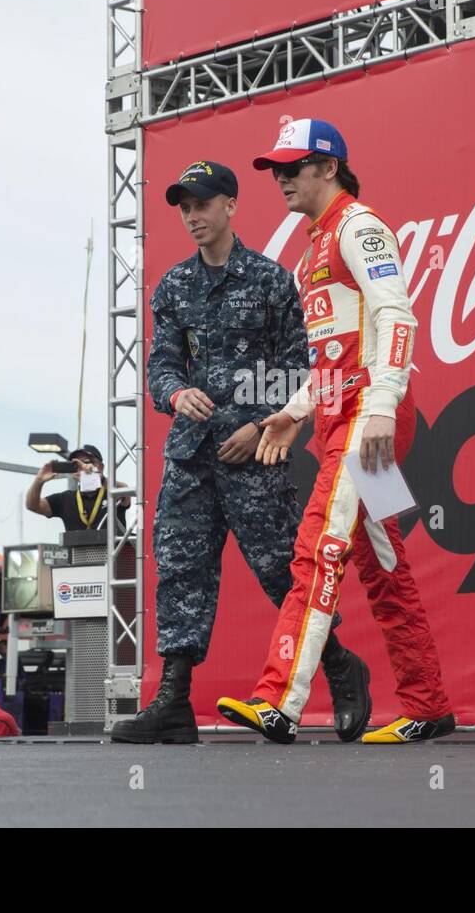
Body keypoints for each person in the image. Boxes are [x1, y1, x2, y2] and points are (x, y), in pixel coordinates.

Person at [110, 158, 368, 745]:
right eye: (183, 206)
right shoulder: (174, 285)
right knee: (180, 572)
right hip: (190, 455)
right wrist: (175, 393)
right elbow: (161, 365)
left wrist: (259, 427)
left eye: (202, 204)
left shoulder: (271, 280)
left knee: (282, 573)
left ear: (230, 205)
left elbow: (299, 364)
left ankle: (340, 668)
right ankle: (173, 701)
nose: (192, 216)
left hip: (256, 455)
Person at [216, 119, 454, 744]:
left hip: (369, 422)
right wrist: (296, 412)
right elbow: (333, 355)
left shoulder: (359, 227)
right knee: (384, 567)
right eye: (276, 169)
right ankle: (428, 704)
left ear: (330, 167)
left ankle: (279, 700)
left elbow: (397, 316)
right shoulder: (312, 245)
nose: (282, 179)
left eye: (294, 167)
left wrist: (382, 405)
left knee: (318, 546)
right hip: (342, 419)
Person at [27, 445, 131, 534]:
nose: (82, 467)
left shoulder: (112, 493)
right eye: (77, 464)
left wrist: (97, 477)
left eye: (87, 462)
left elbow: (126, 491)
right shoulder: (66, 499)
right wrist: (38, 481)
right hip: (79, 556)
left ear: (101, 467)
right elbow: (33, 505)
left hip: (114, 555)